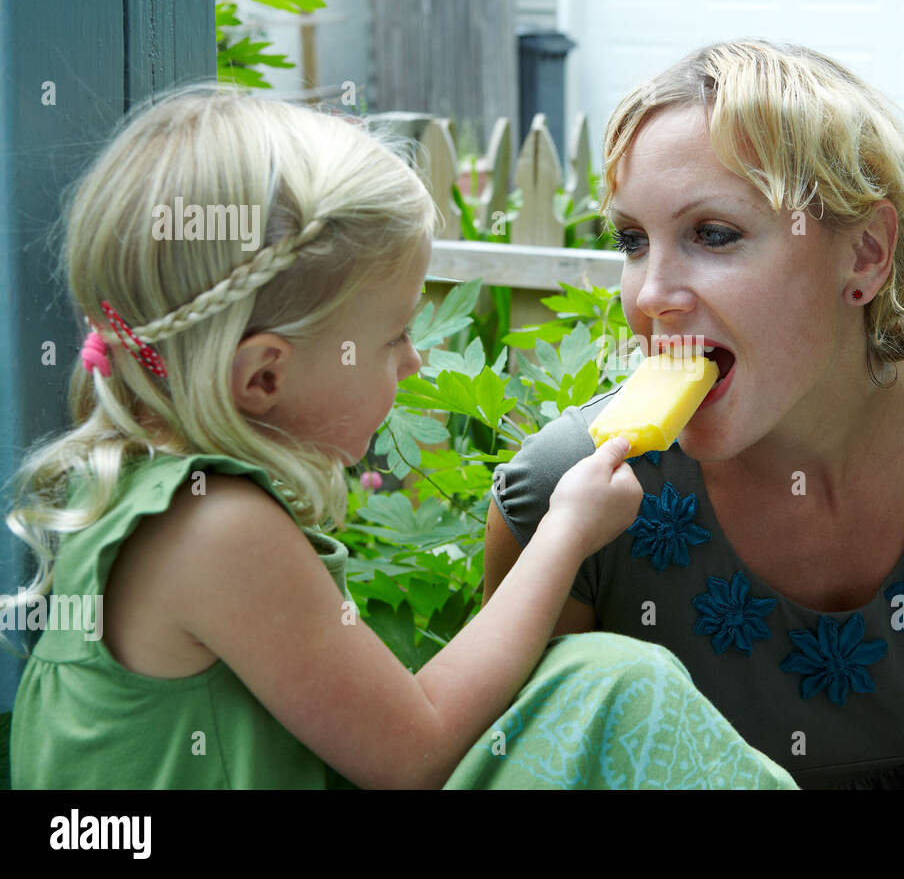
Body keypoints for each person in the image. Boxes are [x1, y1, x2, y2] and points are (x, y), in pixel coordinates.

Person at [2, 84, 797, 790]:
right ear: (264, 377)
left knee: (603, 673)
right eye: (391, 338)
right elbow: (413, 754)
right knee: (620, 683)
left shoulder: (152, 495)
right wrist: (565, 530)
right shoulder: (216, 528)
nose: (415, 362)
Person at [485, 39, 904, 789]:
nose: (650, 295)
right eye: (633, 241)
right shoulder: (564, 492)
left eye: (714, 234)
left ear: (866, 254)